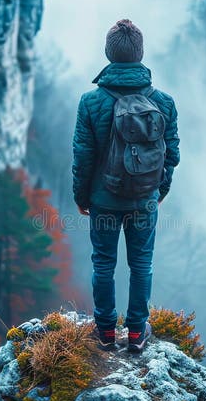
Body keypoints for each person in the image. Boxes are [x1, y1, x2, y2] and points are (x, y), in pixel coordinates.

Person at [72, 18, 180, 352]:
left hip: (103, 199)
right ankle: (136, 333)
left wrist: (82, 197)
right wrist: (159, 191)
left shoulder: (90, 102)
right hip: (144, 199)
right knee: (141, 265)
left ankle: (105, 332)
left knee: (103, 263)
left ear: (108, 54)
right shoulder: (163, 102)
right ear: (140, 54)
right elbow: (171, 154)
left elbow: (83, 156)